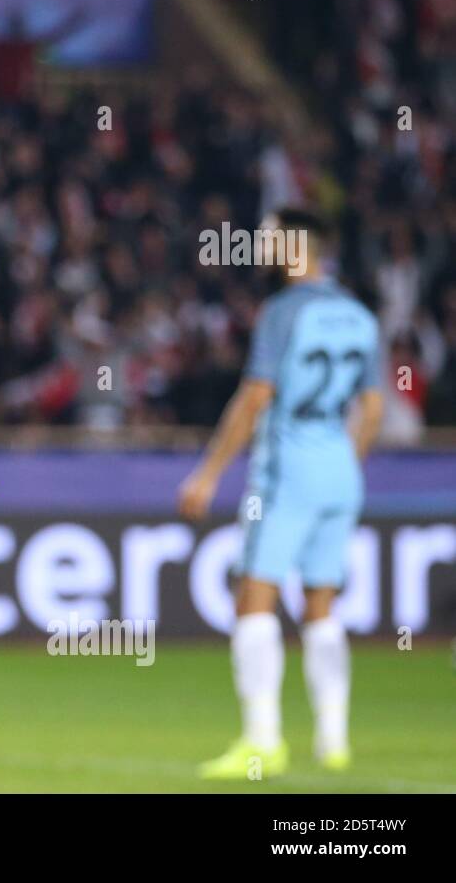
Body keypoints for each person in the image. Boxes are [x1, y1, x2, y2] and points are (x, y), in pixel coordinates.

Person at [179, 207, 383, 779]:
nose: (260, 249)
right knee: (321, 603)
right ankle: (334, 739)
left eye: (268, 240)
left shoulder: (281, 313)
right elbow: (372, 406)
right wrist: (347, 463)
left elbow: (255, 397)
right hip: (340, 469)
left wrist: (208, 472)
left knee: (254, 597)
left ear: (297, 248)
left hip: (287, 469)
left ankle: (262, 739)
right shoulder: (360, 316)